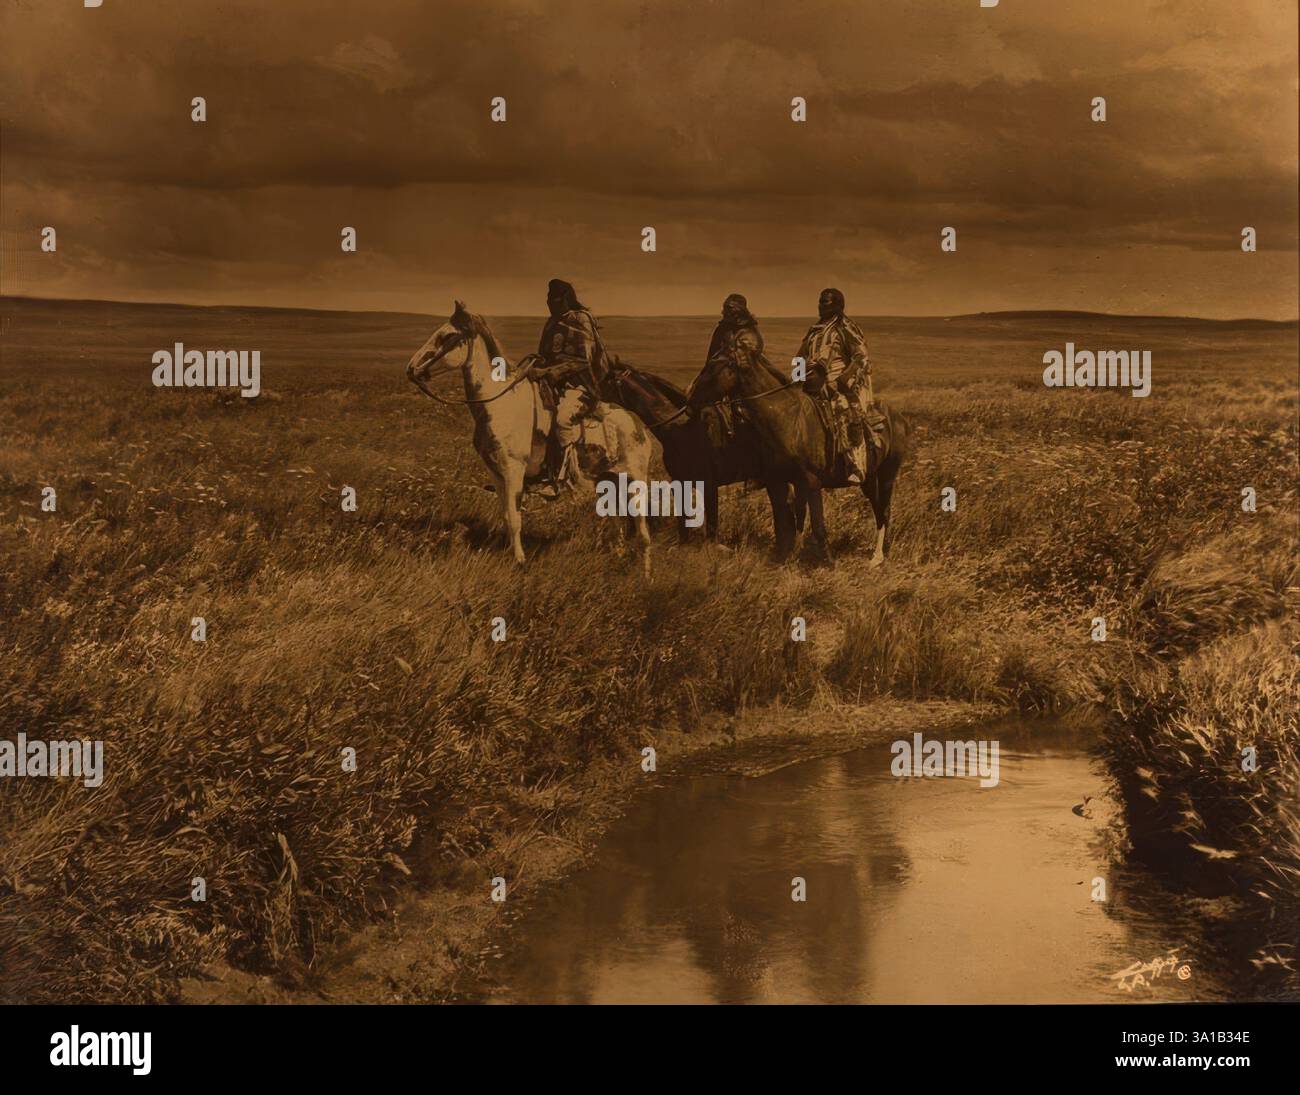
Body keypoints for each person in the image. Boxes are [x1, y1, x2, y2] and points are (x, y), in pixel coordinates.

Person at [796, 287, 885, 482]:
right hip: (812, 382)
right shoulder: (814, 330)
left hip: (840, 384)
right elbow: (800, 356)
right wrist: (796, 379)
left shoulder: (846, 328)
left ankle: (855, 464)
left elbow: (861, 357)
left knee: (843, 410)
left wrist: (840, 382)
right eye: (819, 302)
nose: (820, 306)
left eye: (825, 302)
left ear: (837, 305)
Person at [531, 279, 612, 492]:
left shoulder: (580, 319)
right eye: (548, 299)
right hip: (553, 383)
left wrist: (549, 371)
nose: (550, 303)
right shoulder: (552, 322)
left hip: (581, 385)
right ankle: (536, 470)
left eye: (555, 299)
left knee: (562, 419)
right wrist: (536, 365)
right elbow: (546, 354)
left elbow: (583, 361)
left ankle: (563, 478)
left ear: (566, 299)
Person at [704, 293, 764, 439]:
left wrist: (798, 381)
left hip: (741, 379)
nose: (723, 311)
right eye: (724, 307)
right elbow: (712, 355)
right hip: (720, 374)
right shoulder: (722, 329)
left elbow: (747, 361)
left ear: (737, 311)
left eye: (727, 308)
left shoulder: (749, 332)